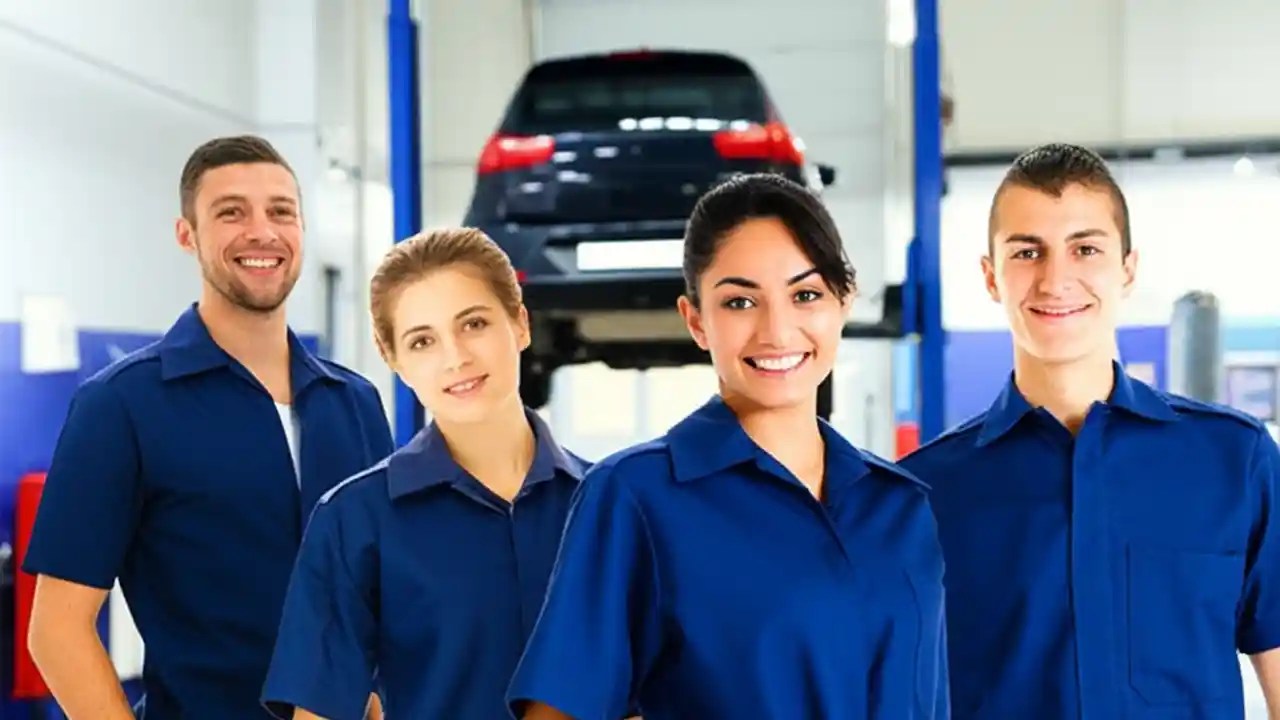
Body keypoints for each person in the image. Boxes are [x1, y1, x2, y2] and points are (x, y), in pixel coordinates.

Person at [507, 173, 949, 719]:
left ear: (843, 302)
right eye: (740, 302)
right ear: (696, 321)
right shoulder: (637, 498)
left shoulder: (901, 506)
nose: (777, 330)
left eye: (805, 294)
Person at [899, 143, 1280, 718]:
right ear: (990, 276)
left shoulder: (1235, 460)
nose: (1056, 280)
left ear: (1127, 269)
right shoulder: (922, 493)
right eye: (1028, 252)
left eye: (1086, 249)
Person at [22, 135, 394, 720]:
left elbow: (380, 598)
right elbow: (56, 631)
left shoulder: (356, 403)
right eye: (231, 213)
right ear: (187, 235)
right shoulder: (122, 405)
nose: (262, 232)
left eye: (280, 211)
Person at [260, 227, 597, 720]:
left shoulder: (608, 506)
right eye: (422, 341)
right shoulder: (355, 521)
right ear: (394, 359)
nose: (455, 357)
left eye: (474, 324)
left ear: (520, 324)